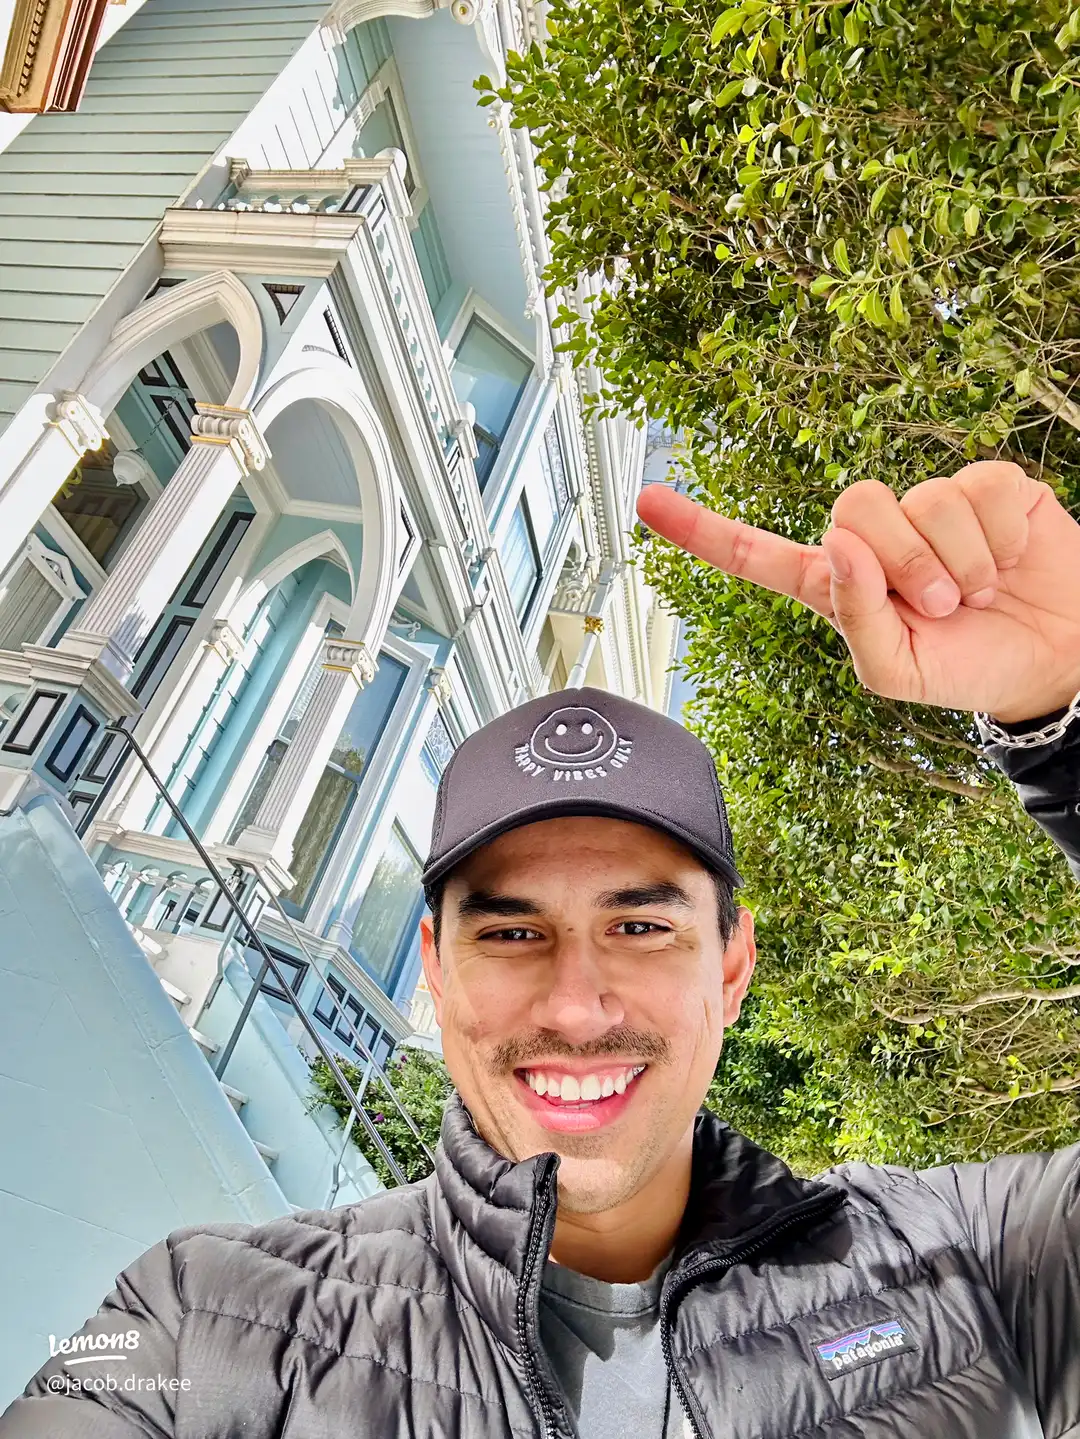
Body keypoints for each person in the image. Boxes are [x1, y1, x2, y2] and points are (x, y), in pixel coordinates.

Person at [2, 460, 1079, 1439]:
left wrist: (1066, 703)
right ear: (436, 968)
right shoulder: (201, 1315)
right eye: (514, 932)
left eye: (640, 926)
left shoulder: (973, 1263)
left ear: (731, 968)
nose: (574, 1005)